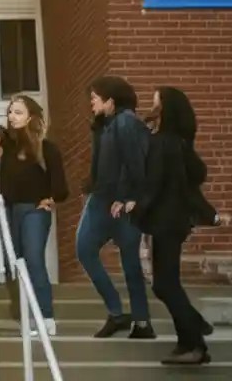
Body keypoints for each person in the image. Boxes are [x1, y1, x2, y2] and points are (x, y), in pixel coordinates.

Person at [133, 87, 219, 365]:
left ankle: (194, 342)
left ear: (166, 108)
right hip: (174, 222)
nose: (152, 104)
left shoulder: (164, 143)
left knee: (165, 285)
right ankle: (192, 333)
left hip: (165, 221)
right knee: (165, 284)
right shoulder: (179, 143)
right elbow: (191, 182)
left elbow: (154, 184)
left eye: (156, 100)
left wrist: (136, 208)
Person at [76, 75, 155, 339]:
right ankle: (117, 312)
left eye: (95, 99)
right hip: (101, 199)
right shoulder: (104, 125)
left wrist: (127, 197)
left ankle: (142, 322)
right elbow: (105, 165)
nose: (92, 104)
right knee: (85, 249)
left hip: (121, 203)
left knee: (130, 262)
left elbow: (136, 163)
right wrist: (90, 185)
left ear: (110, 101)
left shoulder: (127, 122)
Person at [0, 94, 68, 336]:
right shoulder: (7, 144)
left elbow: (61, 186)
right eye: (10, 111)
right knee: (13, 264)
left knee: (32, 260)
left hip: (33, 210)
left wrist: (51, 199)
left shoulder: (47, 148)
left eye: (18, 112)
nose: (12, 116)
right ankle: (25, 317)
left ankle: (45, 317)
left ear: (31, 116)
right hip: (8, 211)